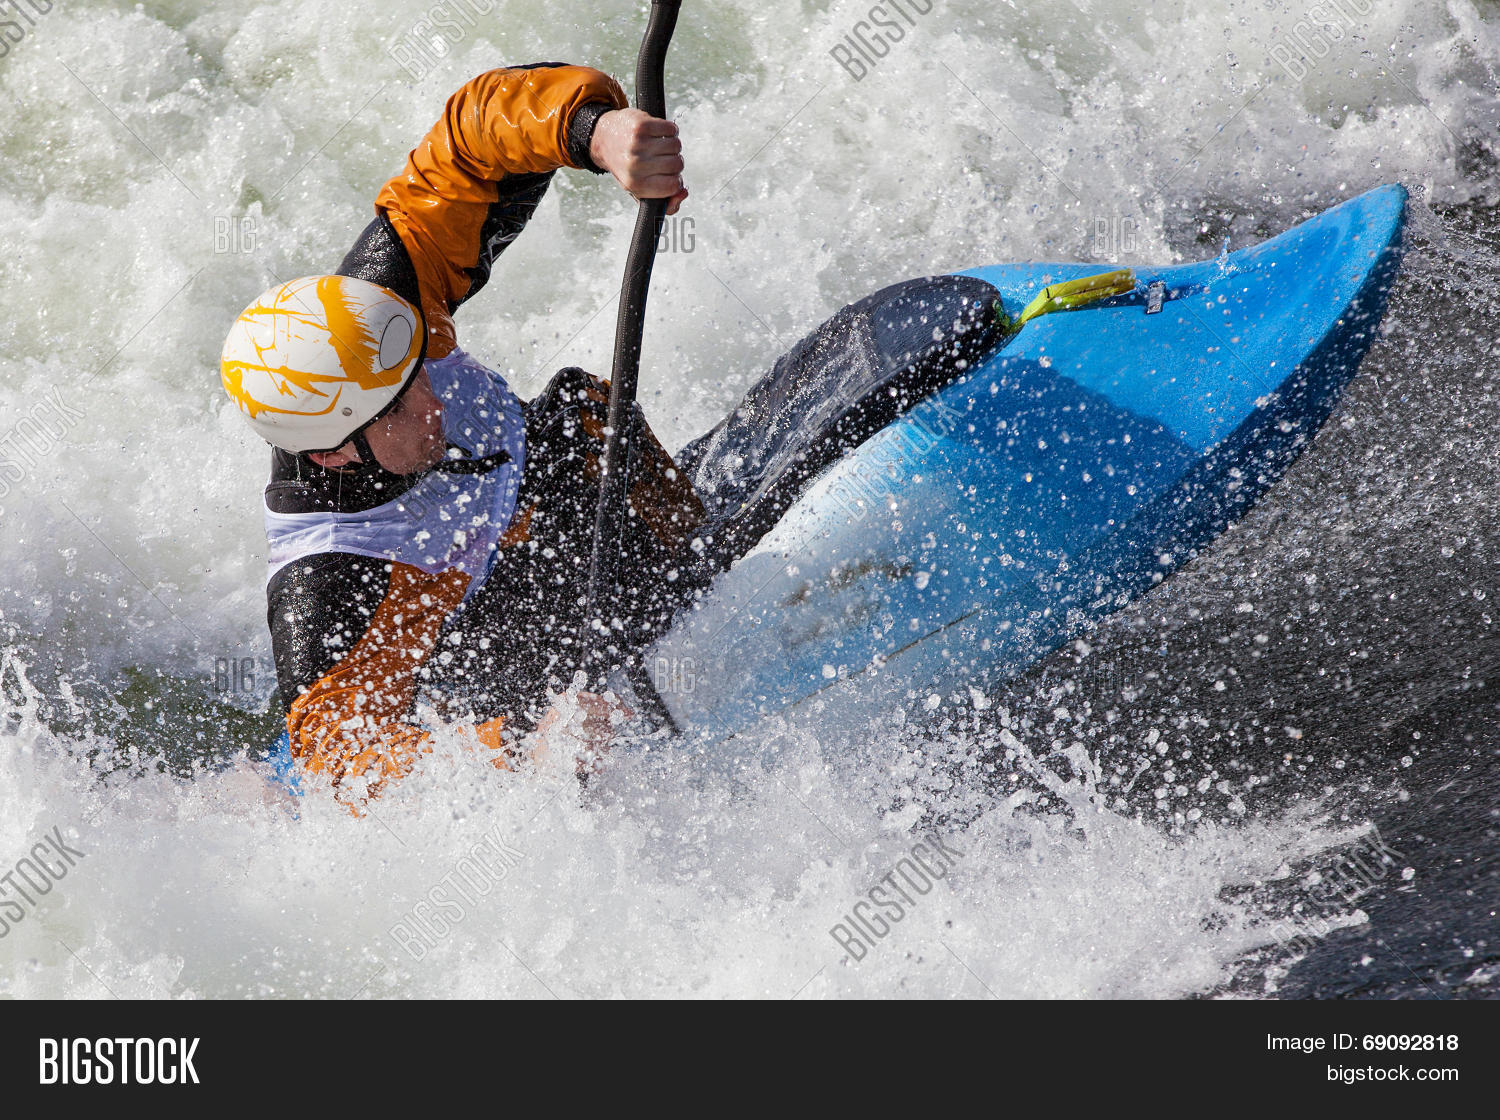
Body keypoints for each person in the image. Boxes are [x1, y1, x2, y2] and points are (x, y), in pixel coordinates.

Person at [219, 64, 705, 806]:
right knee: (508, 628)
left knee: (584, 412)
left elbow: (472, 138)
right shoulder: (331, 577)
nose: (431, 403)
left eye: (419, 369)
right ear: (334, 453)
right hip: (490, 659)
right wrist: (527, 747)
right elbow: (342, 762)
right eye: (398, 406)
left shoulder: (384, 306)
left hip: (557, 508)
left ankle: (693, 555)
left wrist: (594, 133)